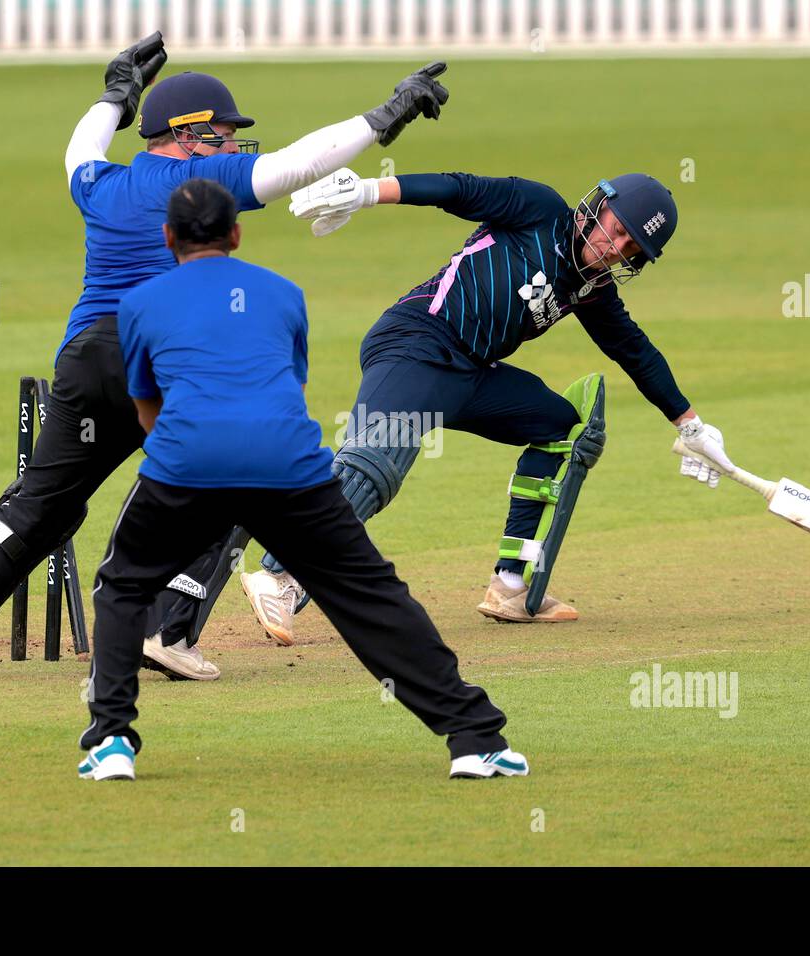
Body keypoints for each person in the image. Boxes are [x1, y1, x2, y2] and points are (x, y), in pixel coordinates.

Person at [0, 31, 452, 681]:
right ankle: (166, 628)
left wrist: (113, 95)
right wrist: (382, 117)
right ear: (187, 133)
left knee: (40, 503)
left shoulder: (104, 185)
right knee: (237, 472)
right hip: (159, 356)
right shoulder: (198, 180)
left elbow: (79, 149)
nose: (231, 142)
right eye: (222, 130)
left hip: (84, 357)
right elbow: (300, 163)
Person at [78, 179, 526, 782]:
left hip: (188, 462)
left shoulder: (138, 304)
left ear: (167, 238)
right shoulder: (283, 294)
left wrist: (187, 464)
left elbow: (147, 408)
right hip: (287, 464)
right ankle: (475, 740)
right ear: (236, 234)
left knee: (123, 585)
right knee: (368, 595)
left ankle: (111, 744)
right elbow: (287, 386)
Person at [213, 167, 736, 643]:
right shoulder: (540, 209)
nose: (614, 246)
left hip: (469, 375)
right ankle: (278, 575)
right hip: (415, 341)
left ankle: (510, 584)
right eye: (615, 227)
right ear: (596, 208)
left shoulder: (591, 290)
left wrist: (691, 426)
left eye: (629, 246)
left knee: (560, 426)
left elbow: (635, 352)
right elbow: (457, 190)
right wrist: (372, 191)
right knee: (375, 467)